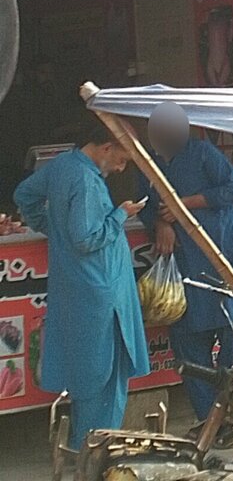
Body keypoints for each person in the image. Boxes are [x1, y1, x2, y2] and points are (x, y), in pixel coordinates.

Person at [13, 121, 149, 448]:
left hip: (78, 287)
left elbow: (24, 195)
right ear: (105, 147)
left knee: (86, 373)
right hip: (100, 291)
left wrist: (53, 228)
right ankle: (94, 452)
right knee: (103, 379)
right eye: (121, 159)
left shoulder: (61, 165)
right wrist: (120, 214)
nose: (120, 167)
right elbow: (87, 237)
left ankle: (86, 448)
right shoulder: (86, 181)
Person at [138, 102, 233, 422]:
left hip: (222, 257)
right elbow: (146, 207)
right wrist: (161, 224)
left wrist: (182, 205)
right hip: (185, 266)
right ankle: (209, 419)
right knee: (189, 344)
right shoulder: (146, 163)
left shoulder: (202, 152)